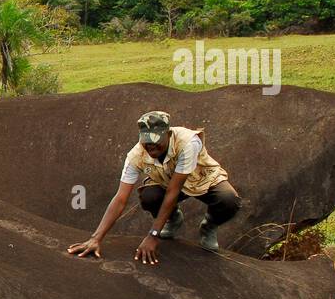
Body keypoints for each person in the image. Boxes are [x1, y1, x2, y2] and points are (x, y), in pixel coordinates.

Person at [67, 110, 241, 265]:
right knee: (149, 196)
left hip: (201, 178)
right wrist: (95, 238)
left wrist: (153, 235)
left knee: (228, 199)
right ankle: (173, 219)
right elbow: (121, 198)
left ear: (168, 134)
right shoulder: (136, 155)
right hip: (166, 181)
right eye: (146, 141)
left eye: (156, 140)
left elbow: (174, 191)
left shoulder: (188, 142)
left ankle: (209, 225)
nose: (151, 146)